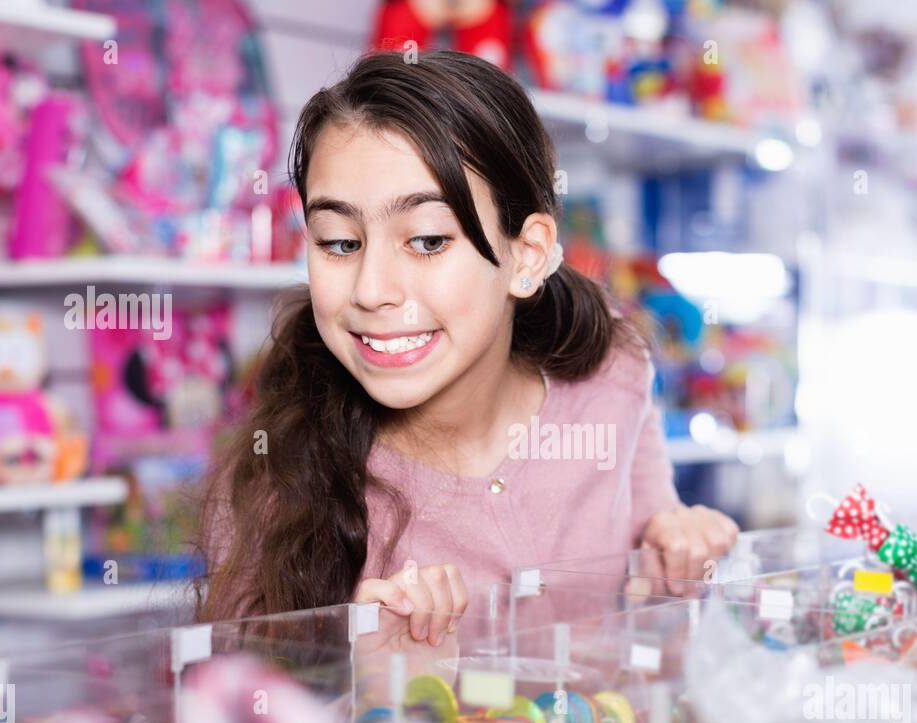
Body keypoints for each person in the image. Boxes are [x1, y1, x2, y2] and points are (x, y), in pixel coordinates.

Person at [197, 50, 738, 640]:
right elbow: (240, 715)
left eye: (428, 240)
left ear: (526, 256)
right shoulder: (275, 481)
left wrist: (682, 554)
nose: (372, 291)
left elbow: (655, 617)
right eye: (340, 242)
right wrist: (368, 690)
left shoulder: (614, 377)